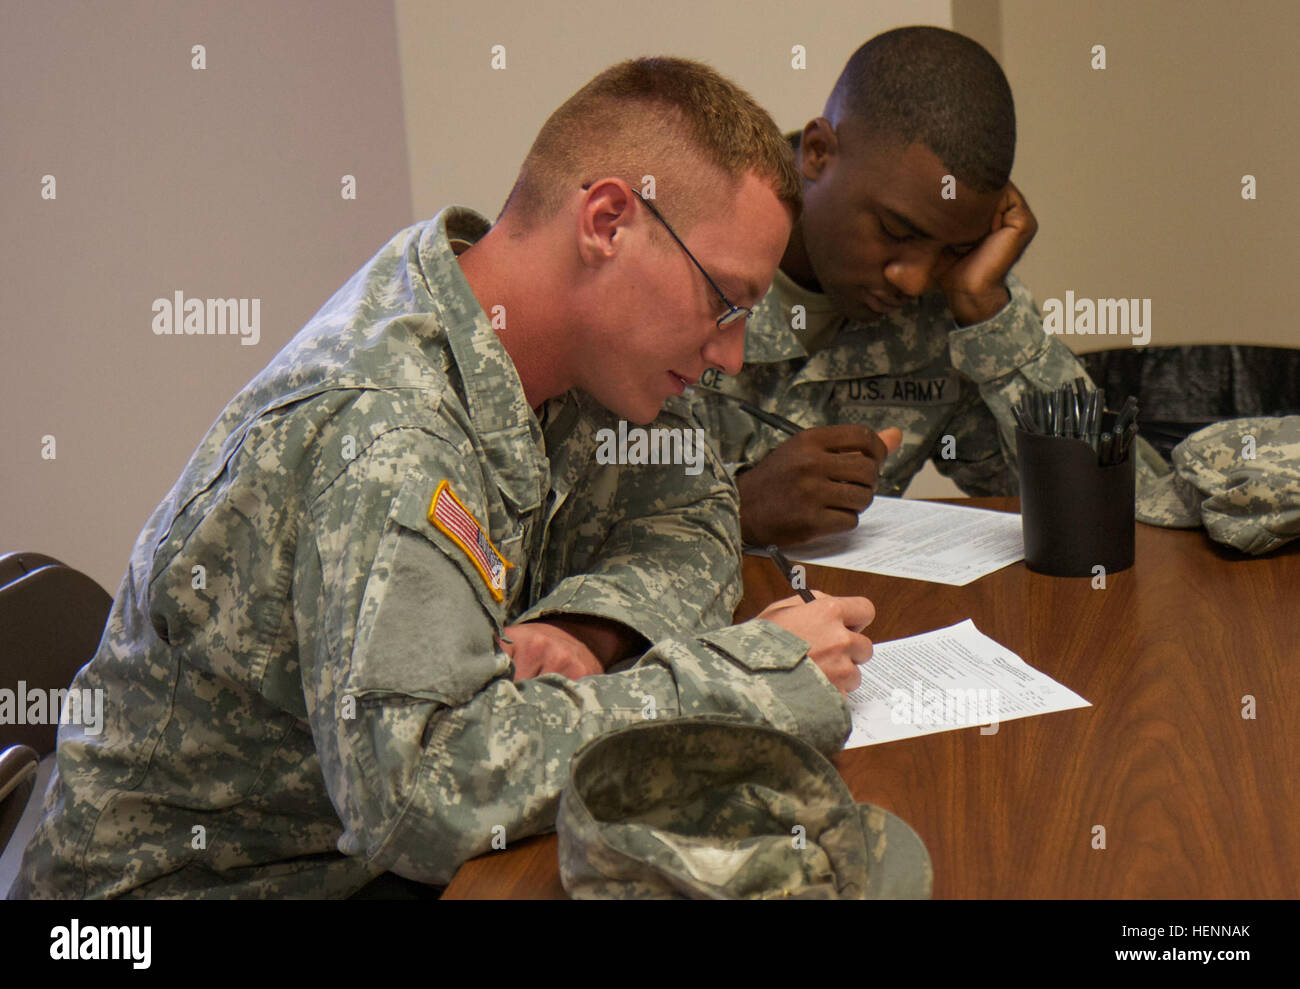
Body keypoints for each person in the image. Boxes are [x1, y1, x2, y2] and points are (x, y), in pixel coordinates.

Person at [11, 57, 876, 899]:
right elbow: (425, 796)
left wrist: (596, 625)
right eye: (723, 300)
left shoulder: (569, 342)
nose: (729, 352)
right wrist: (748, 681)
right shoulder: (389, 429)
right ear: (608, 221)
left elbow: (694, 506)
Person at [690, 27, 1168, 547]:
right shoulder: (685, 255)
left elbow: (1127, 510)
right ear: (819, 153)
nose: (915, 280)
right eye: (897, 231)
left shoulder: (956, 309)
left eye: (952, 251)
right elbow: (590, 519)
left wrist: (990, 316)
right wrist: (736, 510)